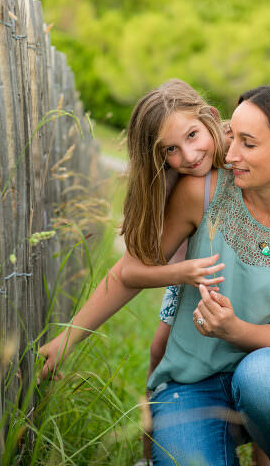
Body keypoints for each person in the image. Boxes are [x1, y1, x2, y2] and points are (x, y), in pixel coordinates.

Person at [121, 85, 270, 466]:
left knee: (262, 378)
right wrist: (68, 339)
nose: (228, 155)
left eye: (248, 143)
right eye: (232, 139)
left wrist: (230, 328)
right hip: (194, 383)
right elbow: (130, 269)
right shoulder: (205, 190)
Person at [37, 78, 227, 385]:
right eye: (171, 149)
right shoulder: (172, 181)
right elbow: (129, 270)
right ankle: (152, 426)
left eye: (193, 135)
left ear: (211, 118)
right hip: (192, 274)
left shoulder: (245, 147)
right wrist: (68, 337)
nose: (190, 156)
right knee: (160, 350)